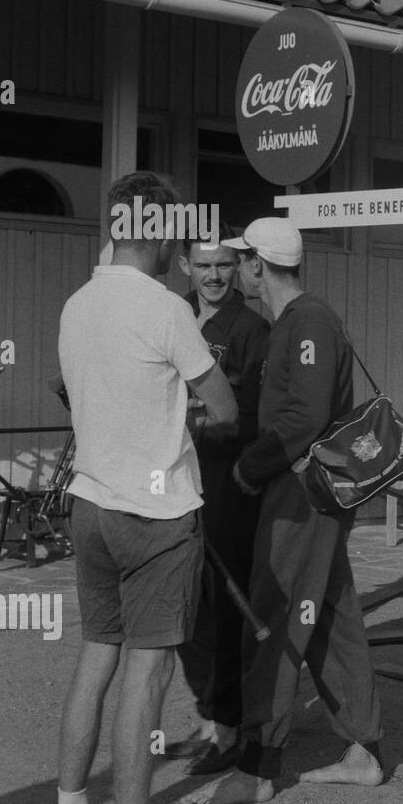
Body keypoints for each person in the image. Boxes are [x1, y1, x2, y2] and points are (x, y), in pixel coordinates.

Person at [51, 171, 236, 804]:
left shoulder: (76, 304)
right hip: (155, 514)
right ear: (154, 231)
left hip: (91, 504)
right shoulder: (164, 308)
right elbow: (223, 410)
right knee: (147, 671)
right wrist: (179, 415)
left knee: (96, 656)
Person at [188, 218, 383, 804]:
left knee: (270, 618)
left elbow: (305, 417)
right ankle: (364, 749)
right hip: (300, 488)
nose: (235, 271)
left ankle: (257, 766)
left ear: (255, 265)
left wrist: (250, 467)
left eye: (241, 260)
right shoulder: (289, 325)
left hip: (302, 493)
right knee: (330, 615)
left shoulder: (310, 322)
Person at [164, 232, 270, 775]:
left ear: (238, 267)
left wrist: (198, 422)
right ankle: (208, 717)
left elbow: (255, 417)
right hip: (172, 482)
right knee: (187, 605)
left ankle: (229, 726)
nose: (213, 276)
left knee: (226, 604)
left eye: (224, 265)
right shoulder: (172, 315)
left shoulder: (251, 330)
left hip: (224, 484)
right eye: (203, 265)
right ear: (185, 265)